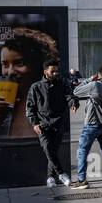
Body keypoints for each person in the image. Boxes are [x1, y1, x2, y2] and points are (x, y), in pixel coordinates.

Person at [0, 27, 58, 142]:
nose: (10, 72)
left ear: (38, 65)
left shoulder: (55, 100)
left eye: (19, 63)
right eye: (5, 64)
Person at [26, 57, 78, 187]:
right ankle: (61, 174)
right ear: (45, 72)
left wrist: (73, 103)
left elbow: (70, 95)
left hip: (58, 123)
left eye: (56, 71)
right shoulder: (36, 87)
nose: (55, 73)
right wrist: (34, 123)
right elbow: (30, 106)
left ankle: (50, 177)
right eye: (52, 71)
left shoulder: (62, 84)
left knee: (53, 151)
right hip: (42, 124)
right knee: (48, 148)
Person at [72, 65, 102, 188]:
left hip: (92, 123)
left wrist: (89, 80)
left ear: (98, 75)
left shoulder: (95, 85)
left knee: (83, 150)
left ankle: (82, 180)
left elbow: (76, 92)